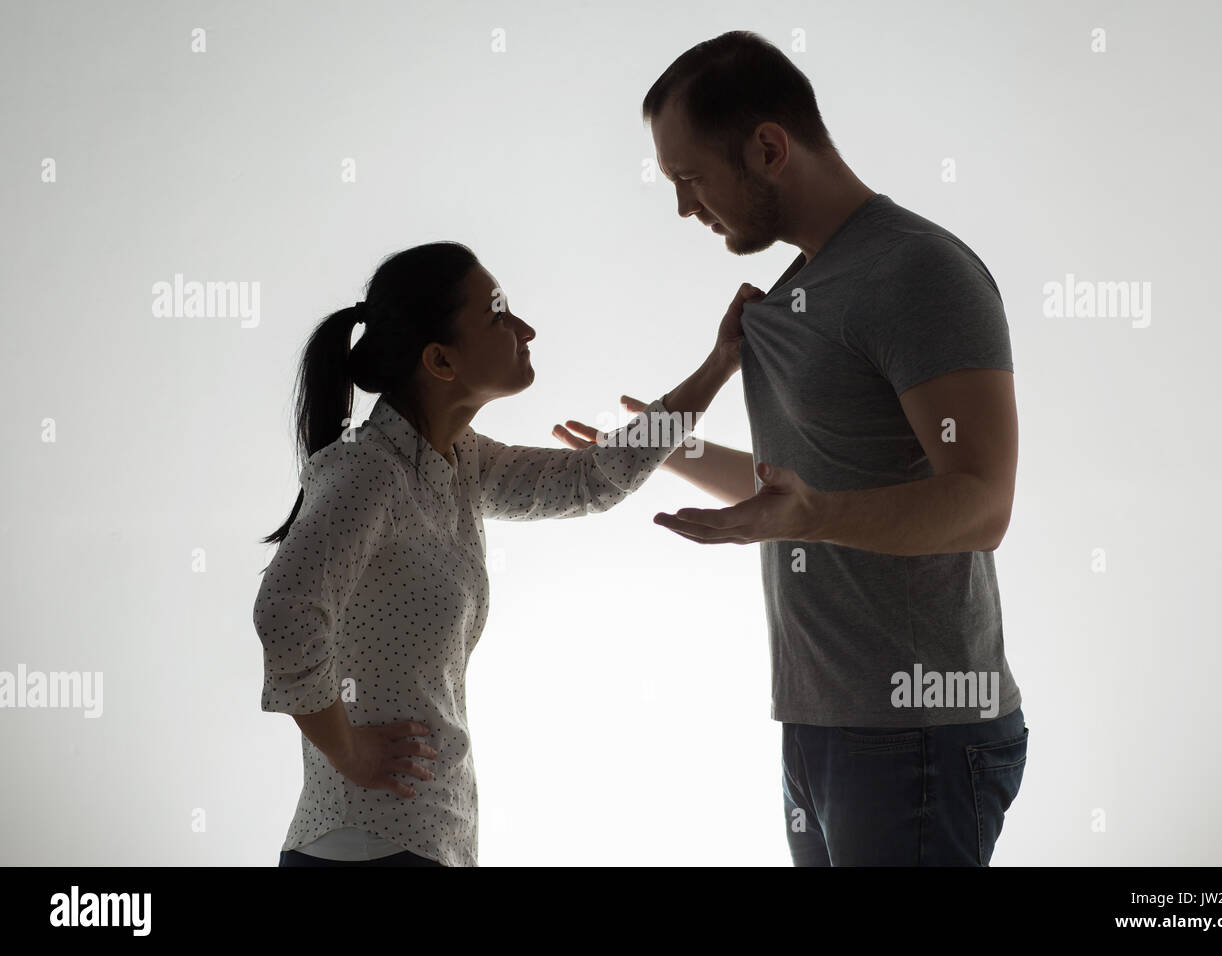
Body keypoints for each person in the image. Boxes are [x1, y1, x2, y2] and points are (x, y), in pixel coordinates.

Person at [558, 31, 1028, 866]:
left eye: (690, 179)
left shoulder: (919, 273)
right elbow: (806, 488)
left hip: (919, 730)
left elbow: (983, 503)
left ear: (769, 148)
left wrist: (810, 514)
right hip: (820, 721)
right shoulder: (796, 290)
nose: (683, 209)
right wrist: (662, 449)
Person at [254, 241, 760, 866]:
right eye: (498, 317)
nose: (526, 329)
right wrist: (348, 751)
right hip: (367, 846)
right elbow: (285, 609)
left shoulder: (460, 459)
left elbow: (593, 478)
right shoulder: (367, 470)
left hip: (429, 838)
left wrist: (719, 364)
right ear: (440, 359)